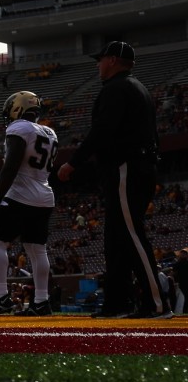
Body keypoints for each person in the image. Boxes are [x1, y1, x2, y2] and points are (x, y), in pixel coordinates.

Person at [57, 41, 164, 317]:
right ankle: (118, 303)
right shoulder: (136, 87)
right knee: (116, 239)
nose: (98, 64)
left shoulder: (117, 89)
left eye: (101, 59)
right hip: (134, 165)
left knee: (130, 234)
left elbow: (102, 132)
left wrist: (73, 163)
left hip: (126, 167)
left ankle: (156, 303)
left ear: (113, 60)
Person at [0, 91, 58, 316]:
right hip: (44, 196)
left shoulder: (19, 128)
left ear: (17, 108)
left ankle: (1, 298)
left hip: (19, 196)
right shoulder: (50, 132)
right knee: (37, 249)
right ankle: (42, 301)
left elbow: (11, 166)